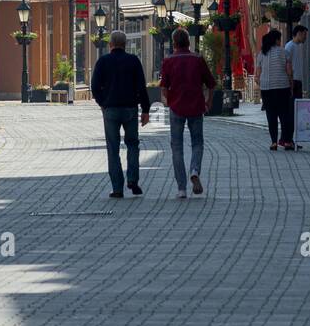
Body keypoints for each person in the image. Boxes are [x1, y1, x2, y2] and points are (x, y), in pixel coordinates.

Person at [90, 30, 150, 198]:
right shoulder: (133, 61)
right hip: (130, 108)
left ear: (110, 45)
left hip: (111, 109)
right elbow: (141, 87)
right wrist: (145, 110)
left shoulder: (103, 61)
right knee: (132, 144)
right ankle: (132, 179)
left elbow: (94, 86)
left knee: (113, 148)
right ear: (125, 44)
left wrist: (103, 103)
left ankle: (117, 188)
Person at [159, 27, 217, 198]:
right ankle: (194, 170)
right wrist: (209, 101)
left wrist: (167, 99)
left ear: (174, 42)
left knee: (177, 147)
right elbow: (211, 83)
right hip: (196, 106)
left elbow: (163, 87)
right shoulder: (197, 59)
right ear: (188, 41)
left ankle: (181, 188)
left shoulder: (169, 60)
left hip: (176, 107)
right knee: (197, 142)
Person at [256, 29, 295, 150]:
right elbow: (289, 71)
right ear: (277, 40)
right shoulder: (284, 52)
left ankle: (273, 142)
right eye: (280, 39)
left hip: (266, 88)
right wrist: (291, 85)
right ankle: (287, 142)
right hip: (282, 87)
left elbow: (258, 73)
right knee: (284, 115)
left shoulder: (262, 54)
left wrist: (261, 82)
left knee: (271, 115)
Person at [285, 25, 308, 99]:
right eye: (304, 34)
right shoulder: (289, 46)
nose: (305, 37)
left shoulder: (300, 46)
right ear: (299, 34)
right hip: (293, 80)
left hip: (298, 79)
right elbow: (286, 63)